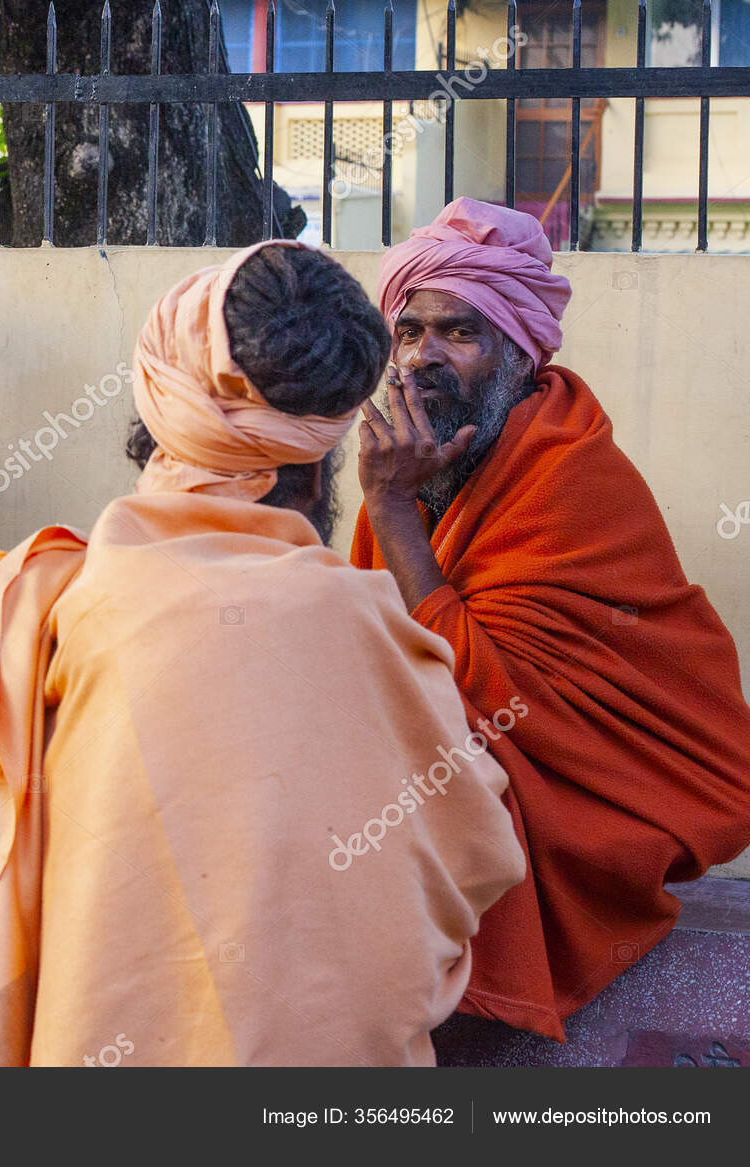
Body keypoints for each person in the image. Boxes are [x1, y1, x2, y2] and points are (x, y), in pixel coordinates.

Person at [0, 241, 526, 1066]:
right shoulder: (362, 621)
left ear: (158, 418)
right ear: (322, 461)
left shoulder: (39, 619)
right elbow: (472, 850)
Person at [353, 197, 750, 1041]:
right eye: (410, 331)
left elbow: (491, 691)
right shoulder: (407, 462)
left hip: (584, 789)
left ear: (517, 354)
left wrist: (391, 511)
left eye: (459, 333)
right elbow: (369, 647)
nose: (425, 357)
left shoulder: (571, 475)